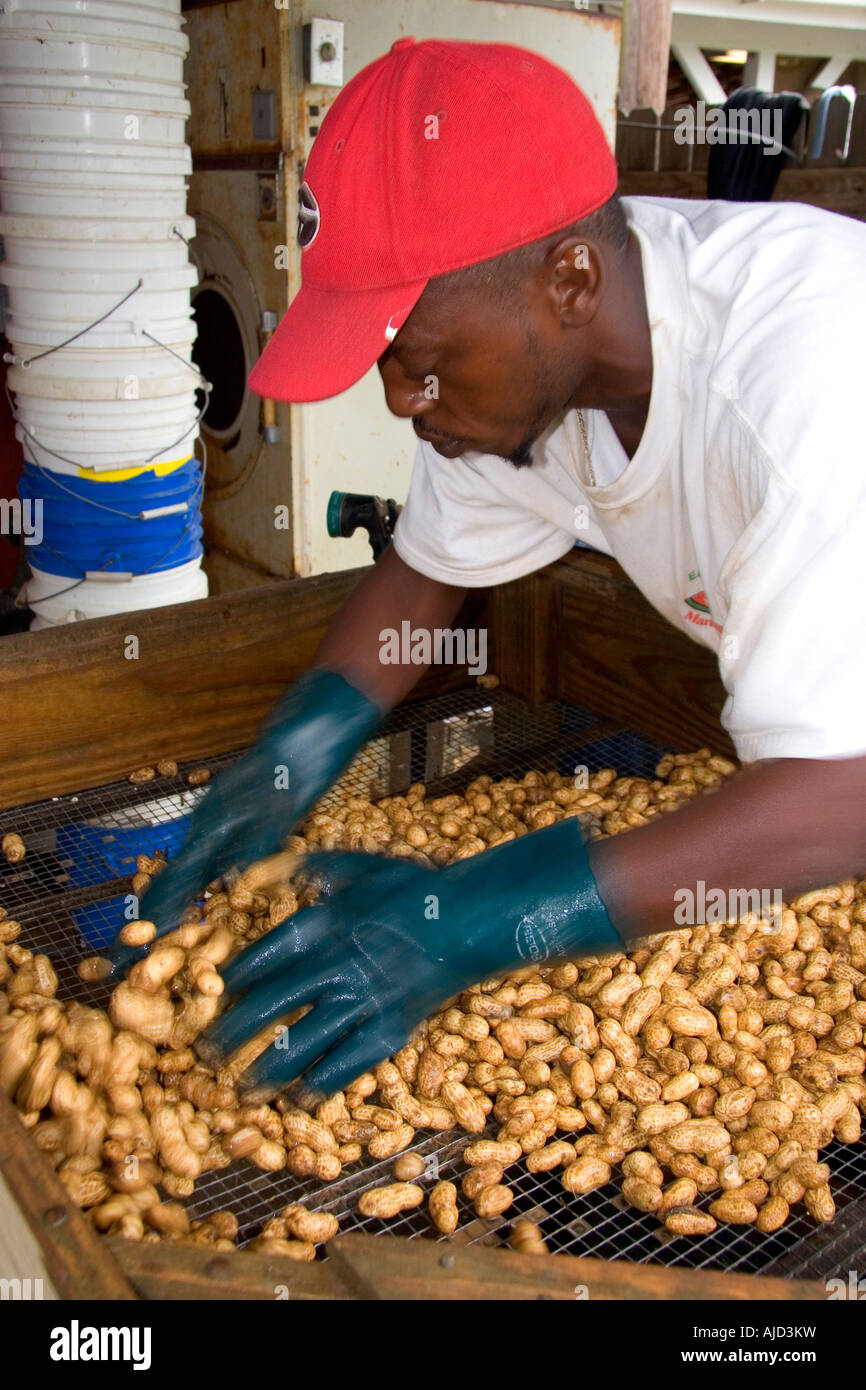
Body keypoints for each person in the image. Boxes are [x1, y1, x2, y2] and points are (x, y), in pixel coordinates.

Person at [114, 38, 866, 1099]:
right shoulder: (541, 368)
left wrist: (484, 917)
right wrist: (292, 755)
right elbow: (426, 572)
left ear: (567, 280)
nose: (397, 402)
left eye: (417, 366)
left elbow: (840, 796)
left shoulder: (806, 390)